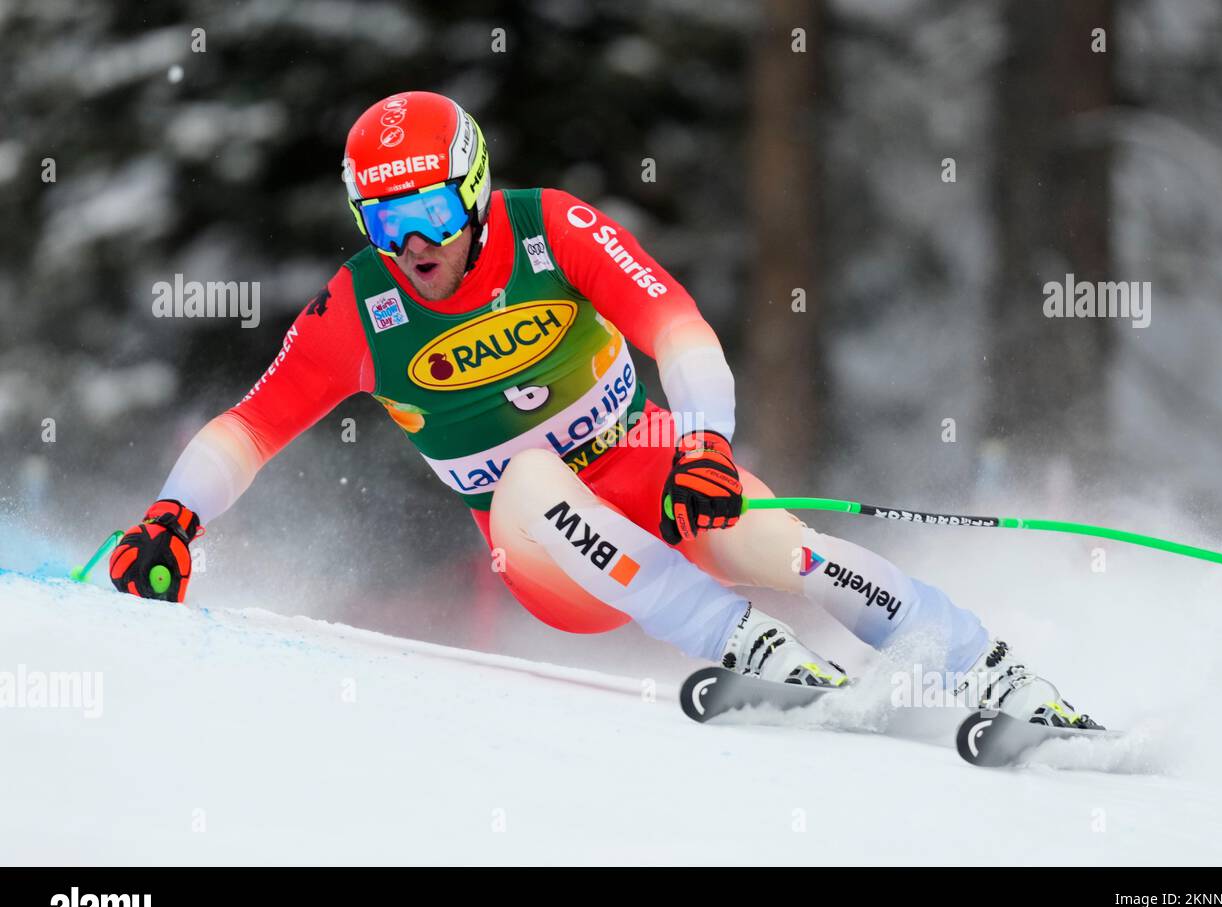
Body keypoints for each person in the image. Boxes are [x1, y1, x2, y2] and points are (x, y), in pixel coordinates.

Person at [107, 91, 1098, 727]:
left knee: (777, 545)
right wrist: (172, 519)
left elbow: (681, 333)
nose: (416, 245)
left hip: (649, 467)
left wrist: (706, 444)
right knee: (529, 476)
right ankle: (740, 643)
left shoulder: (550, 231)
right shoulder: (358, 312)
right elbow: (247, 427)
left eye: (433, 213)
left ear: (475, 190)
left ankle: (993, 673)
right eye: (388, 221)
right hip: (545, 551)